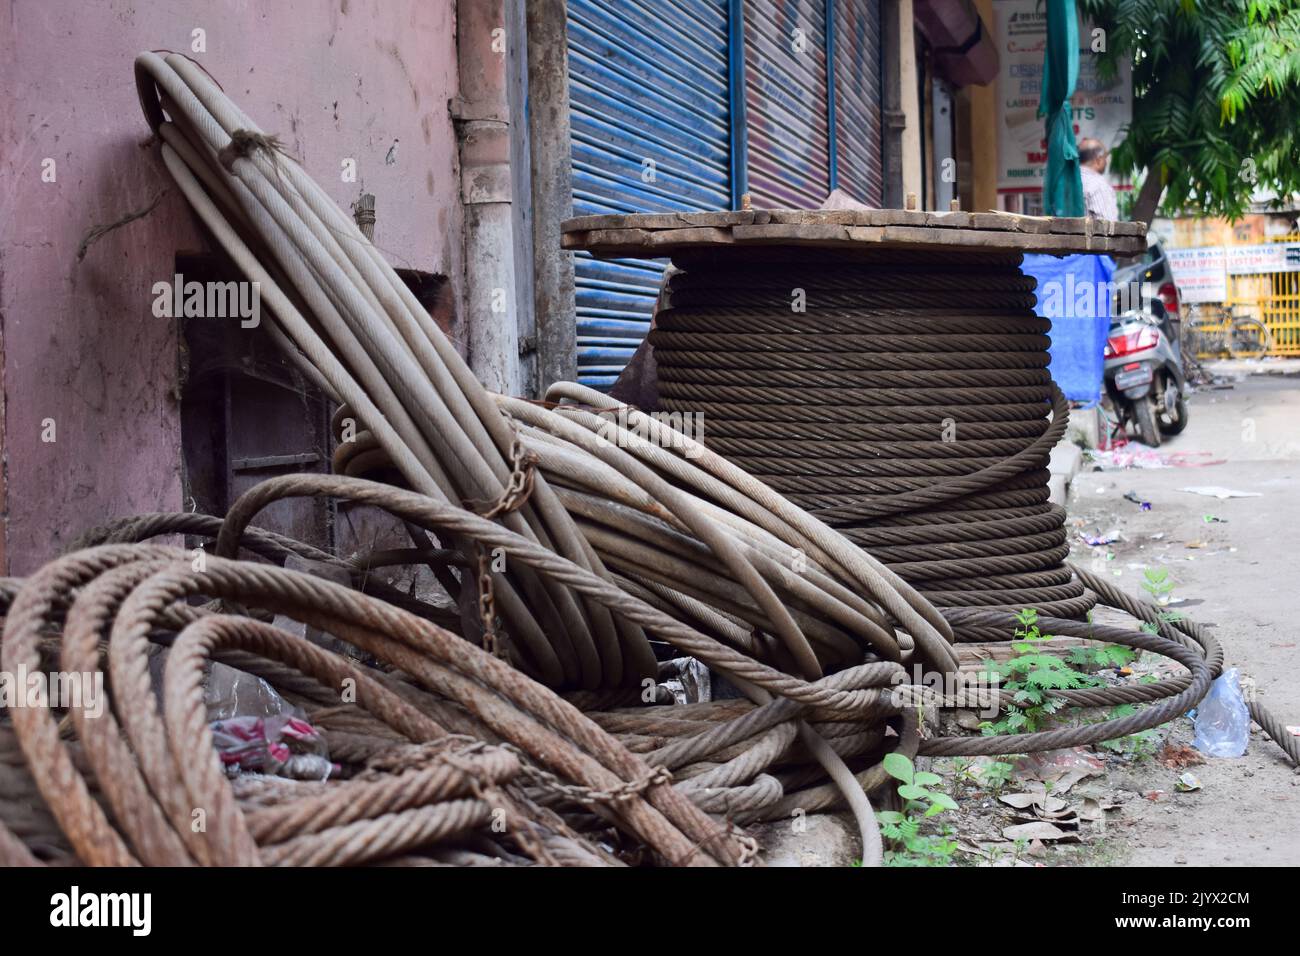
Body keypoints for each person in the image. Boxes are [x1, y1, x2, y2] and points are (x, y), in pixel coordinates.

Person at [1078, 137, 1119, 221]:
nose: (1106, 162)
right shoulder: (1099, 185)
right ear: (1098, 159)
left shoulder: (1066, 181)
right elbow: (1109, 226)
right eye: (1105, 158)